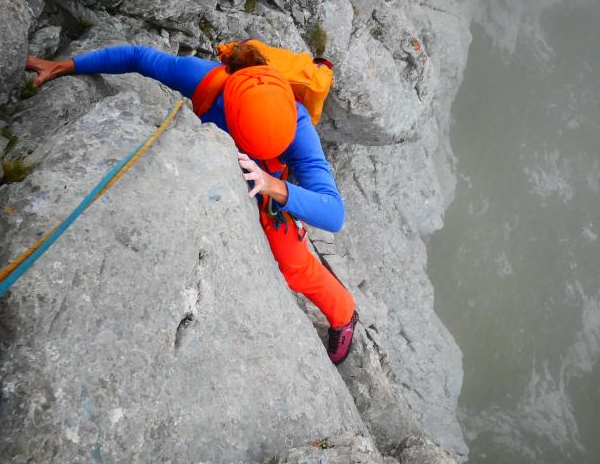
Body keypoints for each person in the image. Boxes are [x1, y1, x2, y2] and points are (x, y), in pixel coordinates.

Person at [25, 42, 359, 364]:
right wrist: (68, 65)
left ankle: (344, 313)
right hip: (226, 167)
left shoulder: (298, 125)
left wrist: (274, 186)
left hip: (268, 185)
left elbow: (333, 214)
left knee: (293, 266)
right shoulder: (207, 80)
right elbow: (138, 58)